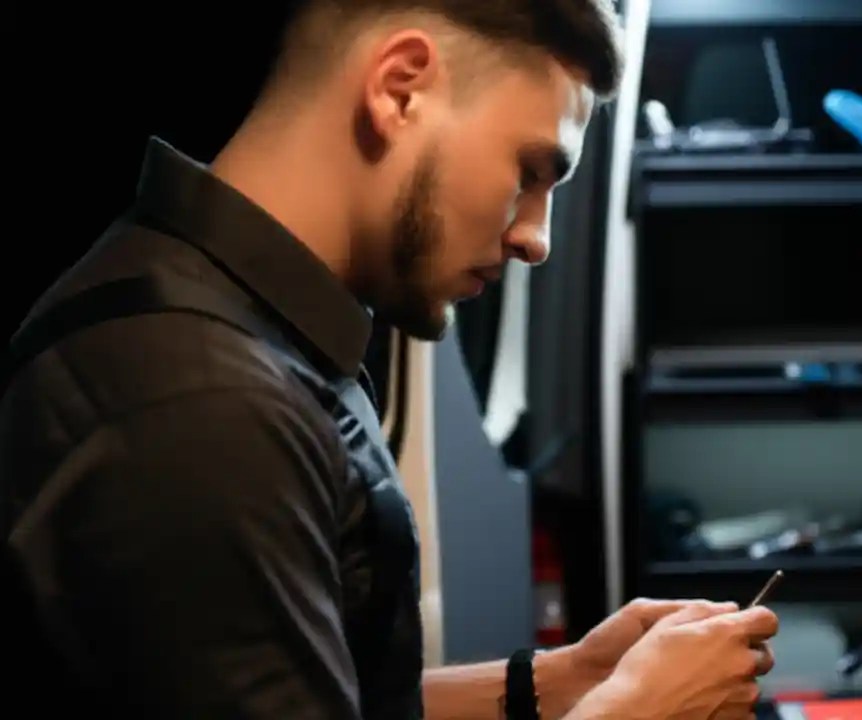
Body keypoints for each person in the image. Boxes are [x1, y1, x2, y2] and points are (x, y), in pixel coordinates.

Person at [0, 1, 779, 718]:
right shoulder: (198, 402)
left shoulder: (254, 341)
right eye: (529, 172)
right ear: (401, 89)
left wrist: (560, 681)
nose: (535, 238)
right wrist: (637, 710)